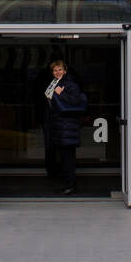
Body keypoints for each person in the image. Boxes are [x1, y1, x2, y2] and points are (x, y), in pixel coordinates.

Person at [43, 58, 87, 195]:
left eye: (60, 69)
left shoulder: (70, 84)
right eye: (55, 70)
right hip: (59, 126)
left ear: (65, 70)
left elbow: (75, 100)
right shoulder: (54, 83)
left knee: (68, 158)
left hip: (67, 127)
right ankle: (67, 184)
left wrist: (61, 94)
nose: (57, 72)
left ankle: (70, 186)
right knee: (63, 157)